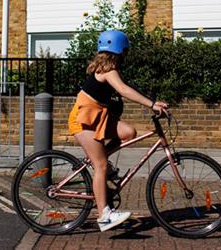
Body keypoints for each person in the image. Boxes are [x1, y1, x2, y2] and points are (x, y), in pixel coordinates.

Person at [67, 30, 168, 232]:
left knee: (129, 132)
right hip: (83, 121)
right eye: (125, 51)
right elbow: (123, 90)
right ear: (120, 51)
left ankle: (97, 157)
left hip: (97, 118)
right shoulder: (108, 70)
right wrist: (151, 105)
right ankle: (104, 215)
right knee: (102, 166)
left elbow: (127, 87)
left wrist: (152, 101)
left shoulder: (108, 70)